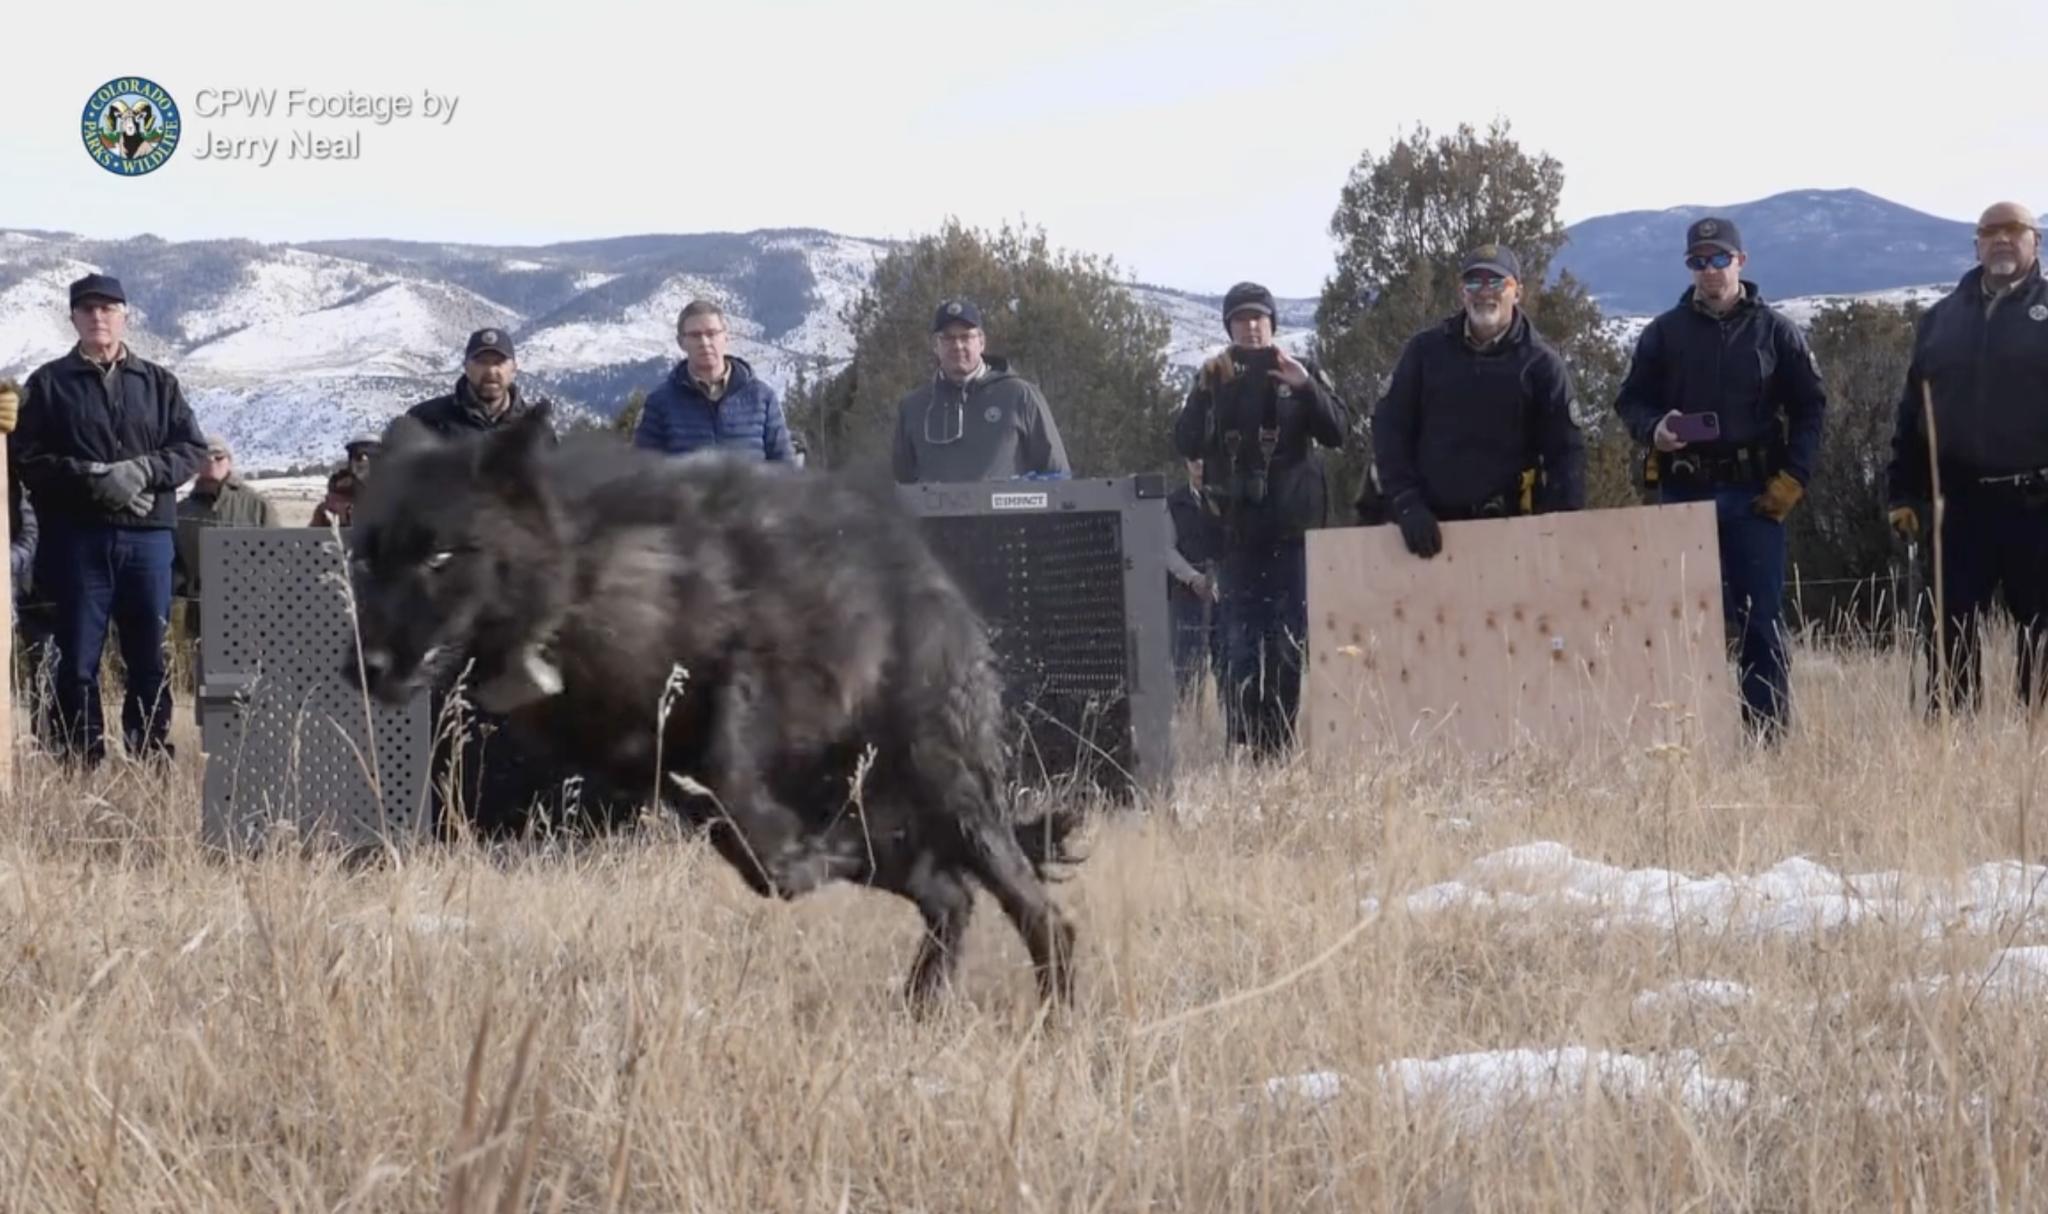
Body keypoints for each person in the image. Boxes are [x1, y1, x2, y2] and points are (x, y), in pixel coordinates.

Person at [1613, 217, 1829, 744]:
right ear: (1689, 268)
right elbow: (1631, 401)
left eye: (1719, 259)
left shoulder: (1776, 331)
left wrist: (1794, 478)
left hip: (1757, 496)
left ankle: (1766, 742)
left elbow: (1811, 408)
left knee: (1760, 621)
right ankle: (1689, 741)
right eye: (1699, 262)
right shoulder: (1663, 333)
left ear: (1741, 262)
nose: (1710, 271)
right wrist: (1654, 428)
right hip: (1683, 493)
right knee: (1684, 620)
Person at [10, 272, 209, 767]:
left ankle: (149, 756)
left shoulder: (159, 383)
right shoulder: (49, 384)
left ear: (125, 315)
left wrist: (141, 472)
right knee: (77, 657)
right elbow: (28, 458)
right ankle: (81, 757)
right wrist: (93, 478)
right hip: (77, 539)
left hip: (148, 541)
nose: (98, 317)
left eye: (108, 308)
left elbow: (189, 450)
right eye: (88, 309)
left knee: (147, 657)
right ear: (74, 318)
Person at [1172, 281, 1349, 759]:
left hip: (1291, 533)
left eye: (1259, 318)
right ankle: (1241, 740)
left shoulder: (1301, 371)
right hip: (1235, 536)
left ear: (1273, 324)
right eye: (1241, 319)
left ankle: (1279, 743)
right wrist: (1204, 392)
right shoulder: (1213, 378)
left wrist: (1305, 387)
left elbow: (1339, 431)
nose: (1251, 327)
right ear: (1229, 326)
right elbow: (1185, 441)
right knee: (1238, 641)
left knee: (1287, 641)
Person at [1884, 200, 2048, 717]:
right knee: (1947, 634)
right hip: (1957, 506)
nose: (2001, 239)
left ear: (2035, 242)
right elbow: (1913, 415)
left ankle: (2037, 750)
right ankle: (1951, 752)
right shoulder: (1941, 320)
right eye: (1989, 231)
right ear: (1975, 244)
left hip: (2038, 503)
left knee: (2043, 634)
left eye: (2014, 230)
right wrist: (1902, 494)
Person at [1372, 244, 1587, 559]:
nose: (1484, 292)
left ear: (1518, 292)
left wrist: (1553, 530)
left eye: (1496, 283)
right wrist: (1406, 504)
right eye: (1473, 283)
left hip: (1512, 536)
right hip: (1428, 534)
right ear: (1462, 292)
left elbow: (1567, 454)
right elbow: (1389, 429)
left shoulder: (1542, 365)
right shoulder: (1424, 352)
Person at [891, 299, 1071, 484]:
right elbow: (901, 485)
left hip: (1010, 513)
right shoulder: (913, 407)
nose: (957, 345)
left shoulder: (1020, 395)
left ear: (981, 341)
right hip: (933, 514)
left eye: (966, 337)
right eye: (948, 338)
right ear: (936, 346)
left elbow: (1057, 477)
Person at [632, 299, 795, 461]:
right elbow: (644, 470)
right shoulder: (660, 402)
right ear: (681, 342)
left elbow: (784, 465)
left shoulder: (762, 397)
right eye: (695, 335)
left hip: (750, 488)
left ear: (725, 337)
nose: (704, 342)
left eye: (711, 333)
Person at [172, 434, 282, 651]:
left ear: (229, 462)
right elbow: (174, 566)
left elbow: (277, 559)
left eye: (218, 457)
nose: (211, 462)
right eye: (205, 457)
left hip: (249, 613)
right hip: (197, 614)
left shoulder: (257, 506)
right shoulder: (181, 512)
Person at [397, 327, 555, 441]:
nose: (491, 370)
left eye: (499, 362)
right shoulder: (427, 419)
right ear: (466, 367)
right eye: (482, 362)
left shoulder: (536, 428)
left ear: (514, 368)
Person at [1166, 457, 1224, 699]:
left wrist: (1219, 582)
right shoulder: (1172, 503)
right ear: (1186, 464)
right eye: (1193, 459)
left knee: (1227, 665)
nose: (1200, 463)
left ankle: (1229, 725)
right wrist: (1193, 578)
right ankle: (1189, 726)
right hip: (1186, 595)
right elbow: (1165, 548)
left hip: (1224, 594)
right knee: (1187, 669)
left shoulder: (1226, 498)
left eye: (1204, 457)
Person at [310, 434, 380, 528]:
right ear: (350, 462)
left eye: (372, 457)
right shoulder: (331, 506)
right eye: (358, 456)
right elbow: (311, 539)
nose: (364, 461)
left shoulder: (395, 496)